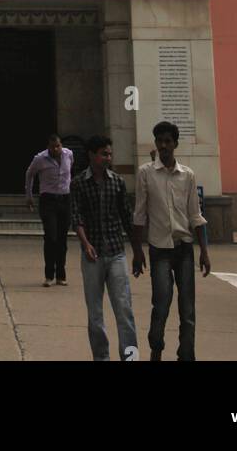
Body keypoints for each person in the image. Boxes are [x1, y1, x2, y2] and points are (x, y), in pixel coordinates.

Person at [130, 120, 211, 362]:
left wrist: (204, 252)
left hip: (184, 248)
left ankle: (186, 355)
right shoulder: (146, 173)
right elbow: (139, 214)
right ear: (156, 143)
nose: (163, 145)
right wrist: (137, 251)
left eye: (168, 141)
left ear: (175, 144)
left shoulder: (187, 176)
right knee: (162, 303)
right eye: (159, 141)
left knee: (187, 309)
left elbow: (196, 216)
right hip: (159, 250)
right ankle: (156, 347)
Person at [71, 135, 139, 361]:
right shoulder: (79, 183)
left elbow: (127, 218)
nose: (107, 158)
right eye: (103, 154)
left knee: (124, 310)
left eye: (110, 154)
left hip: (116, 252)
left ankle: (129, 357)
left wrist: (137, 251)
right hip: (93, 255)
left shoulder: (117, 182)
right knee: (95, 314)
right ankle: (101, 358)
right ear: (91, 155)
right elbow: (76, 216)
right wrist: (86, 243)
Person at [25, 133, 73, 286]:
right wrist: (29, 195)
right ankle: (49, 274)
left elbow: (70, 171)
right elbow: (29, 174)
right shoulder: (40, 159)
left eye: (58, 146)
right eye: (53, 147)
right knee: (51, 237)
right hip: (48, 200)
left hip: (65, 199)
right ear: (48, 147)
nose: (56, 149)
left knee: (62, 238)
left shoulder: (68, 155)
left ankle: (61, 274)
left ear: (61, 145)